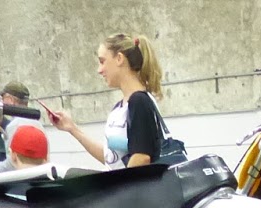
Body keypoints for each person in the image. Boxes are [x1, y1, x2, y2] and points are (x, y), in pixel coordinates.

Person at [44, 33, 178, 169]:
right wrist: (72, 128)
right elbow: (110, 159)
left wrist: (119, 187)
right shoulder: (121, 108)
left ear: (119, 58)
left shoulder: (139, 101)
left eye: (102, 61)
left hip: (134, 188)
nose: (99, 70)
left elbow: (141, 157)